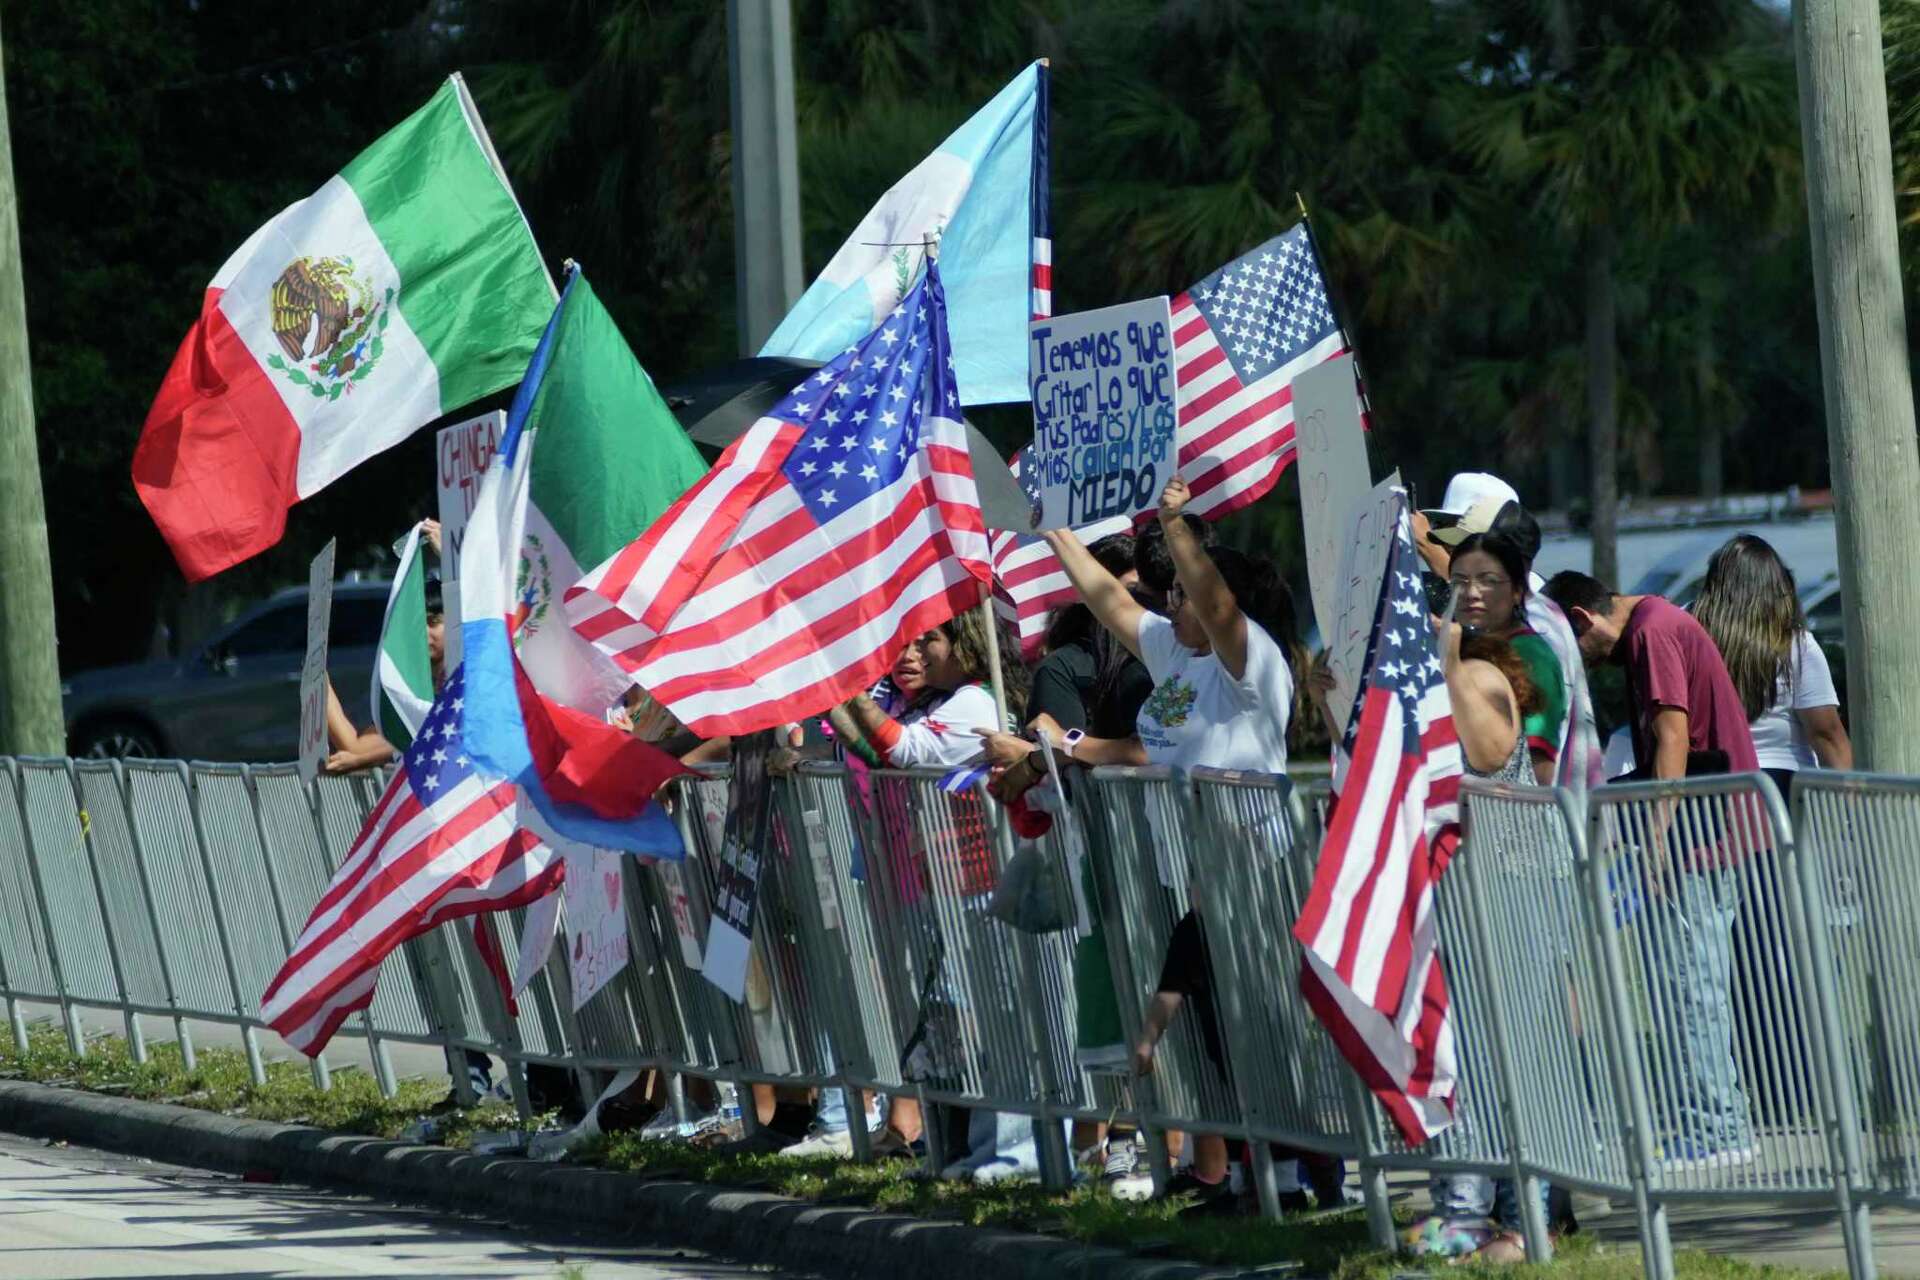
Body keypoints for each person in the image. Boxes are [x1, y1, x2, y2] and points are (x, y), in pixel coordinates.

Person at [1042, 476, 1304, 1213]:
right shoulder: (1176, 657)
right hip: (1197, 870)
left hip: (1254, 867)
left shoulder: (1247, 664)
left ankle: (1289, 1180)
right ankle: (1245, 1180)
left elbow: (1215, 604)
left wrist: (1176, 523)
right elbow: (1111, 602)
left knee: (1264, 1029)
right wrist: (1054, 531)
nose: (1170, 604)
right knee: (1219, 1035)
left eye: (1182, 595)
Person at [1544, 569, 1759, 1170]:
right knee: (1685, 982)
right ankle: (1717, 1119)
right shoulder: (1656, 623)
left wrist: (1658, 835)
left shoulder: (1651, 632)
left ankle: (1715, 1129)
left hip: (1698, 838)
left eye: (1575, 652)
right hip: (1702, 832)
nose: (1581, 667)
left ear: (1583, 621)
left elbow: (1673, 735)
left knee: (1692, 983)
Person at [1689, 534, 1852, 795]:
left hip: (1709, 785)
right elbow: (1827, 735)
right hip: (1783, 786)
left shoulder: (1689, 634)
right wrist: (1850, 813)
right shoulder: (1796, 645)